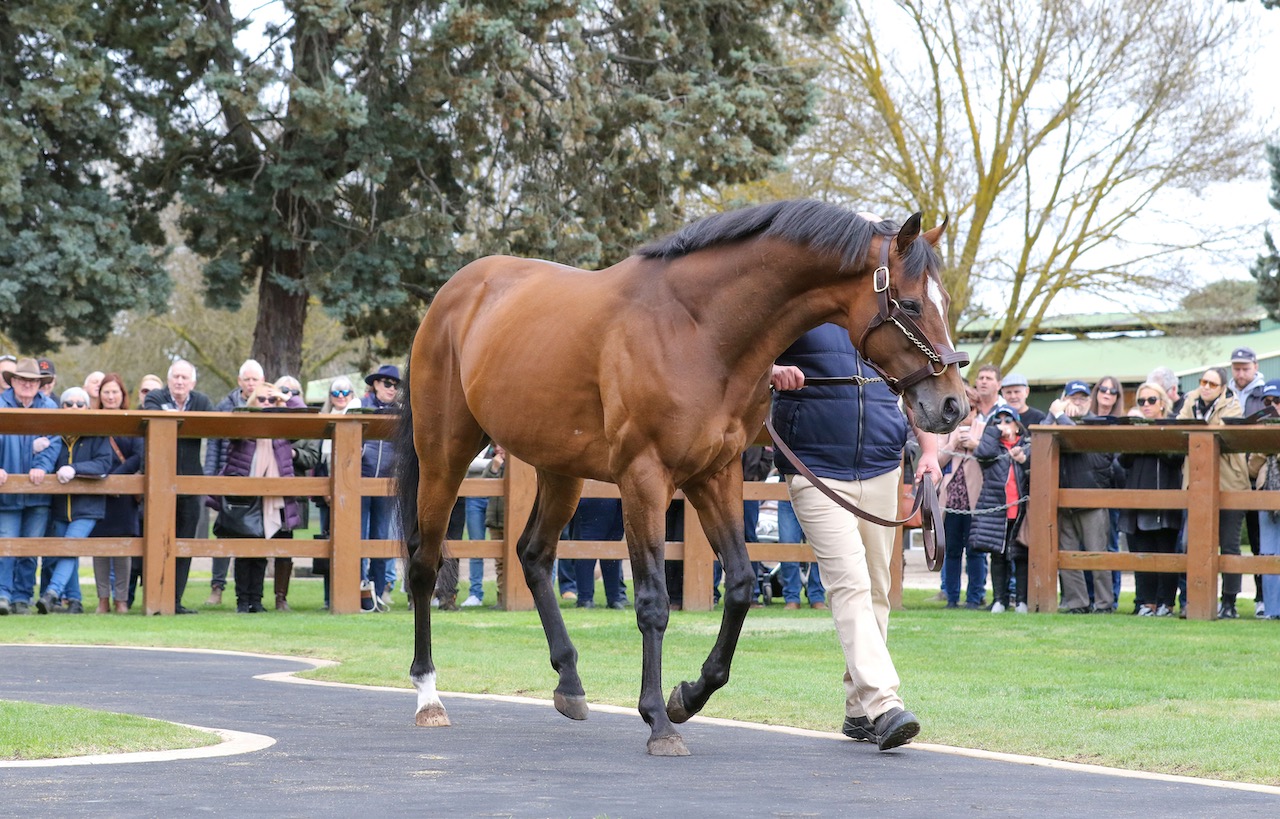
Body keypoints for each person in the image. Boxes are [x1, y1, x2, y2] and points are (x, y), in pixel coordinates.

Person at [771, 323, 940, 752]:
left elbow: (917, 381)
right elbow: (739, 355)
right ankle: (884, 704)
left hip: (882, 464)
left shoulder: (883, 320)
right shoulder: (800, 305)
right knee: (850, 584)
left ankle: (858, 710)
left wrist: (930, 452)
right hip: (813, 466)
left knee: (878, 588)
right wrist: (770, 371)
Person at [208, 385, 305, 613]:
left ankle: (257, 600)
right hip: (244, 497)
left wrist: (285, 398)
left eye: (271, 400)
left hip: (271, 497)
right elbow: (231, 432)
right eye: (261, 399)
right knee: (245, 552)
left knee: (262, 551)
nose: (266, 403)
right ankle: (243, 601)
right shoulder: (242, 425)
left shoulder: (282, 431)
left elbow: (304, 417)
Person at [142, 359, 214, 613]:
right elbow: (156, 420)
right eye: (176, 377)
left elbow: (212, 425)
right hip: (160, 482)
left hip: (190, 482)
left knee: (184, 543)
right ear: (168, 380)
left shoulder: (202, 401)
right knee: (158, 542)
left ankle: (175, 601)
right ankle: (155, 598)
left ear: (192, 382)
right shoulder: (155, 397)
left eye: (185, 378)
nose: (180, 382)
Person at [1177, 366, 1248, 619]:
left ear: (1222, 388)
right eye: (1203, 381)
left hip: (1230, 483)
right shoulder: (1191, 401)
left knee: (1229, 546)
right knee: (1189, 543)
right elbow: (1179, 426)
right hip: (1196, 484)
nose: (1205, 387)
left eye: (1212, 384)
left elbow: (1223, 432)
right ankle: (1194, 599)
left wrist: (1198, 423)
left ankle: (1229, 602)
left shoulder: (1233, 404)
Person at [39, 388, 115, 614]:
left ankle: (52, 593)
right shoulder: (55, 436)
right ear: (61, 407)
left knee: (69, 546)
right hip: (60, 506)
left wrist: (74, 468)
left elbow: (103, 464)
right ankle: (75, 600)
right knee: (65, 549)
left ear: (87, 407)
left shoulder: (97, 434)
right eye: (69, 403)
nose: (74, 407)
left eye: (80, 404)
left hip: (88, 507)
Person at [1046, 380, 1116, 614]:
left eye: (1082, 398)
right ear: (1063, 399)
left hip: (1091, 499)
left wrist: (1060, 415)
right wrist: (1053, 414)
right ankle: (1077, 602)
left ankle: (1104, 603)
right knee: (1068, 556)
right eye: (1073, 398)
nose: (1078, 402)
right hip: (1064, 499)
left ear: (1089, 400)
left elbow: (1077, 439)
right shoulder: (1056, 419)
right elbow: (1038, 443)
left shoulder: (1097, 423)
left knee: (1098, 555)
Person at [0, 359, 62, 615]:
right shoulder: (1, 404)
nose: (27, 384)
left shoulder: (49, 407)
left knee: (30, 548)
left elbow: (54, 443)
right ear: (13, 381)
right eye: (23, 379)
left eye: (33, 381)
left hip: (38, 493)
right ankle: (2, 594)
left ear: (40, 384)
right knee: (6, 545)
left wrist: (42, 466)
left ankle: (21, 597)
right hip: (6, 493)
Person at [204, 359, 266, 606]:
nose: (250, 384)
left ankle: (253, 596)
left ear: (262, 381)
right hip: (227, 478)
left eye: (255, 379)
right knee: (224, 533)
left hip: (257, 482)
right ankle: (217, 587)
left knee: (255, 538)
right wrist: (211, 480)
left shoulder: (269, 404)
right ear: (239, 381)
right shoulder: (225, 406)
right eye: (246, 379)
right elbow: (213, 445)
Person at [1120, 382, 1183, 617]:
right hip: (1137, 500)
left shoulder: (1172, 426)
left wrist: (1151, 440)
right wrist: (1137, 436)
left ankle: (1166, 603)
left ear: (1162, 403)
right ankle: (1147, 603)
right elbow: (1123, 460)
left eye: (1151, 400)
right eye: (1141, 401)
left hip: (1165, 501)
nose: (1146, 405)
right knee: (1142, 554)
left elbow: (1175, 458)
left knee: (1166, 553)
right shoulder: (1134, 429)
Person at [972, 406, 1031, 614]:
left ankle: (1022, 600)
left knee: (1021, 556)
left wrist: (1023, 461)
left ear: (1017, 426)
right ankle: (999, 599)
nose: (1003, 424)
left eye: (1008, 420)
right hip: (997, 510)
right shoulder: (993, 446)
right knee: (998, 555)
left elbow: (1036, 470)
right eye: (998, 420)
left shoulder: (1028, 446)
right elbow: (982, 453)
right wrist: (994, 431)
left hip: (1021, 511)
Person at [92, 374, 143, 613]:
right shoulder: (92, 420)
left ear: (123, 395)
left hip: (124, 493)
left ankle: (121, 599)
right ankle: (103, 599)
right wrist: (104, 481)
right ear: (100, 395)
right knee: (100, 548)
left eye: (115, 392)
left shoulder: (132, 422)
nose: (111, 397)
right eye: (106, 392)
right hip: (97, 489)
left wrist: (116, 479)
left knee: (123, 548)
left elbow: (138, 455)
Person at [270, 375, 319, 611]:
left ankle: (281, 597)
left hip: (292, 492)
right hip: (267, 489)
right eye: (282, 390)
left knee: (285, 545)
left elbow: (313, 456)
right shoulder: (269, 416)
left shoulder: (307, 423)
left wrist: (293, 455)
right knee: (256, 542)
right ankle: (250, 598)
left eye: (292, 392)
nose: (287, 395)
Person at [313, 376, 361, 608]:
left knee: (352, 543)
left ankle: (354, 593)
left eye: (345, 392)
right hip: (328, 495)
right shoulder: (324, 419)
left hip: (351, 491)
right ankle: (327, 597)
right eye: (336, 393)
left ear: (352, 395)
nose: (340, 397)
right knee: (327, 542)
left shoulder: (358, 416)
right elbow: (318, 462)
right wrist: (326, 490)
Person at [937, 387, 986, 609]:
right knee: (952, 551)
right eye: (960, 408)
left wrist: (976, 446)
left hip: (977, 503)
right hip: (951, 504)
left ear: (977, 409)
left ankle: (975, 598)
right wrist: (952, 444)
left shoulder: (985, 429)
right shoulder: (945, 431)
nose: (966, 414)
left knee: (976, 552)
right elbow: (936, 461)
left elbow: (994, 458)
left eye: (971, 408)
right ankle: (951, 597)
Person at [1228, 347, 1267, 618]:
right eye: (1236, 368)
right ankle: (1227, 599)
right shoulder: (1224, 393)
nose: (1240, 373)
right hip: (1230, 475)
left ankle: (1262, 598)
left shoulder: (1265, 395)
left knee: (1258, 541)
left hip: (1256, 475)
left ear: (1255, 366)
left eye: (1245, 368)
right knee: (1229, 542)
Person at [361, 364, 400, 605]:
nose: (391, 389)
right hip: (360, 481)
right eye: (387, 383)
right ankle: (358, 590)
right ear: (375, 384)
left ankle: (377, 593)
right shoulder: (360, 407)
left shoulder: (401, 414)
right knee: (358, 536)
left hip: (387, 484)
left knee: (381, 538)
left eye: (395, 386)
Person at [1088, 375, 1125, 609]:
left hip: (1112, 493)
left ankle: (1112, 598)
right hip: (1087, 491)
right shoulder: (1085, 420)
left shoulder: (1121, 424)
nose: (1107, 394)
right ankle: (1090, 598)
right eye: (1103, 389)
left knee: (1110, 546)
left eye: (1113, 391)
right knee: (1087, 549)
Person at [1249, 380, 1280, 620]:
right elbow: (1251, 468)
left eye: (1277, 401)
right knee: (1268, 553)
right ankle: (1272, 609)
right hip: (1266, 493)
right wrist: (1264, 448)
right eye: (1268, 402)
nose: (1273, 406)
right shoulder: (1260, 430)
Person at [461, 450, 492, 608]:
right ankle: (475, 593)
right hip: (474, 495)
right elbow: (469, 462)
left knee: (507, 546)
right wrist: (494, 463)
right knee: (476, 545)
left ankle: (503, 592)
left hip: (499, 499)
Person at [483, 445, 507, 608]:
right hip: (494, 520)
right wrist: (495, 468)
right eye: (496, 445)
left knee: (516, 561)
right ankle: (501, 597)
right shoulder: (493, 464)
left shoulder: (520, 464)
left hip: (513, 521)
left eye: (502, 445)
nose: (498, 449)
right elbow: (483, 487)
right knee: (499, 563)